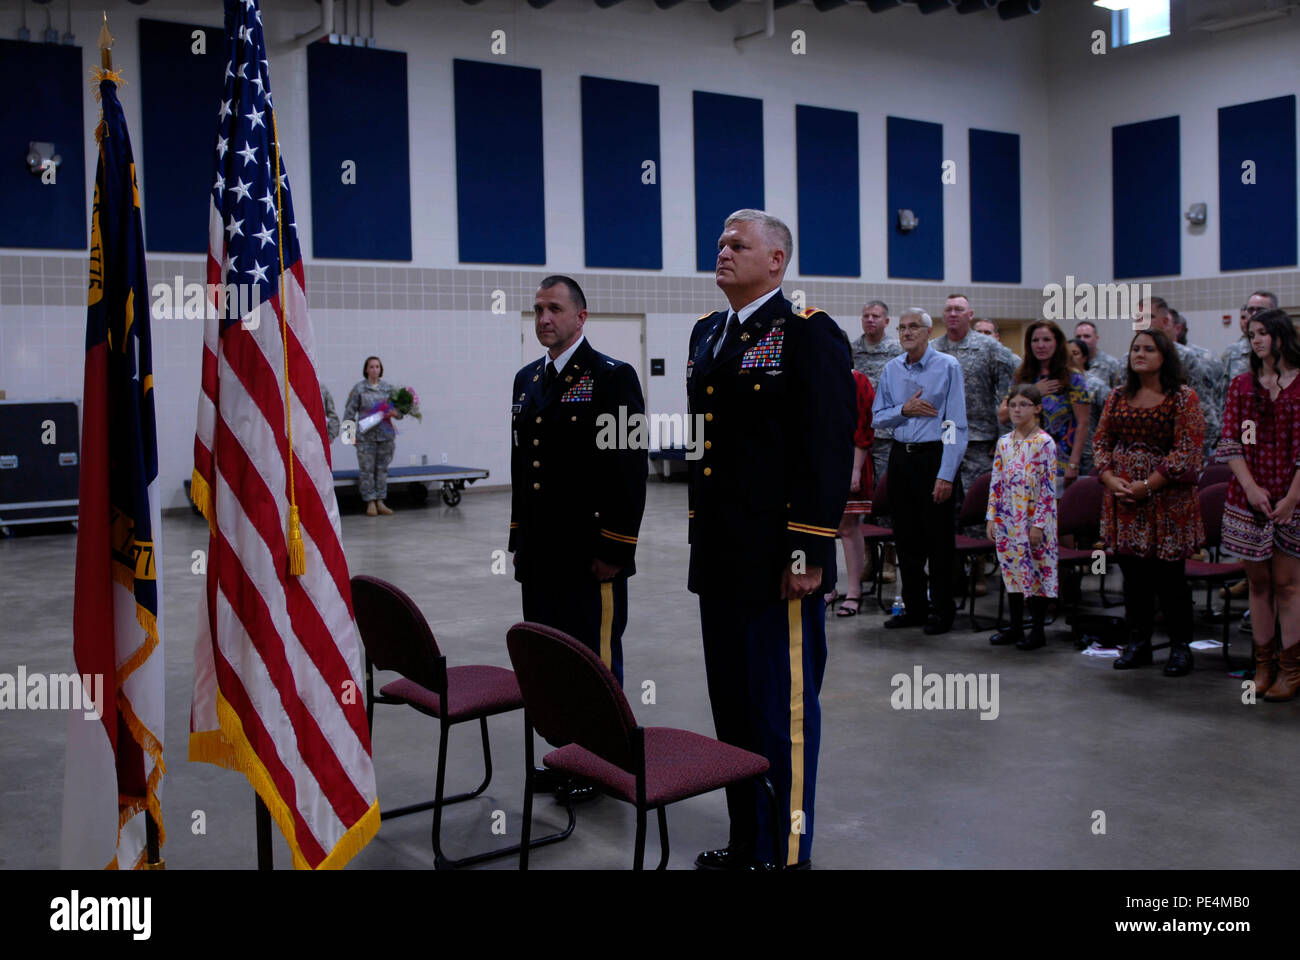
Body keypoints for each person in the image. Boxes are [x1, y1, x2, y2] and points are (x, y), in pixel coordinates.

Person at [688, 209, 854, 871]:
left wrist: (808, 551)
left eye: (738, 244)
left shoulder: (807, 333)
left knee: (781, 717)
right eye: (721, 243)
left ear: (777, 260)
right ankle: (746, 839)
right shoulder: (707, 334)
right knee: (732, 712)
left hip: (779, 563)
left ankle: (786, 854)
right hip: (721, 560)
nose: (723, 252)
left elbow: (825, 446)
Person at [509, 275, 647, 689]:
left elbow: (629, 467)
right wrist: (519, 541)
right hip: (539, 554)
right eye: (538, 310)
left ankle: (601, 755)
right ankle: (559, 753)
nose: (544, 318)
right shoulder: (527, 379)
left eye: (555, 309)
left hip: (589, 554)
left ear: (581, 317)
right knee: (547, 663)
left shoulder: (612, 378)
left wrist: (616, 547)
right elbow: (522, 465)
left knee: (593, 668)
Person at [1093, 329, 1205, 676]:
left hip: (1166, 503)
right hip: (1124, 501)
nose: (1139, 354)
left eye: (1148, 349)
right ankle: (1138, 644)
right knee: (1133, 579)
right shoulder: (1116, 396)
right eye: (1135, 349)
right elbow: (1101, 443)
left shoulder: (1182, 398)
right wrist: (1111, 480)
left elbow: (1187, 450)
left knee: (1170, 581)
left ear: (1164, 356)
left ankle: (1180, 648)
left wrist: (1148, 486)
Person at [1217, 308, 1300, 702]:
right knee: (1259, 583)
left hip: (1293, 496)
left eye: (1264, 333)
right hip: (1249, 498)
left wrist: (1291, 499)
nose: (1257, 340)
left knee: (1287, 585)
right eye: (1252, 334)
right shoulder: (1242, 385)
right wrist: (1249, 487)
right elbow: (1230, 441)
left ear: (1282, 336)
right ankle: (1262, 665)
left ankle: (1291, 669)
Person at [872, 308, 969, 635]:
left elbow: (955, 425)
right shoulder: (891, 369)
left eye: (914, 327)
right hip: (901, 458)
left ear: (928, 332)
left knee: (938, 541)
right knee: (906, 538)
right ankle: (914, 608)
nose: (906, 332)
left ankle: (942, 611)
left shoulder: (948, 367)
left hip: (934, 456)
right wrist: (905, 409)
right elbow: (878, 418)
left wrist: (946, 474)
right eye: (901, 328)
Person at [986, 384, 1058, 650]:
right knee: (1012, 571)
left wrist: (1039, 523)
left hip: (1033, 518)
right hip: (1008, 517)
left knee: (1036, 572)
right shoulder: (1004, 442)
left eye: (1024, 404)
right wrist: (992, 516)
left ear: (1037, 409)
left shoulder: (1044, 443)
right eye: (1013, 404)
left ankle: (1037, 630)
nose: (1017, 410)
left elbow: (1049, 488)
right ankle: (1015, 626)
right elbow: (996, 480)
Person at [998, 320, 1090, 495]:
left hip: (1060, 460)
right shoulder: (1021, 377)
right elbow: (1003, 415)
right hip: (1023, 460)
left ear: (1057, 342)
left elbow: (1083, 423)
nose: (1040, 345)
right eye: (1035, 340)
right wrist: (1033, 392)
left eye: (1046, 340)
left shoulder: (1072, 378)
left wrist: (1074, 462)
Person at [850, 299, 901, 584]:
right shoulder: (853, 350)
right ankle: (868, 558)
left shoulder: (896, 352)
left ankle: (890, 561)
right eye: (866, 315)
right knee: (861, 502)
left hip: (885, 438)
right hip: (858, 437)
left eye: (876, 316)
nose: (870, 320)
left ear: (886, 321)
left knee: (886, 499)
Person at [1138, 296, 1222, 462]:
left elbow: (1203, 410)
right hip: (1140, 450)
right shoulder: (1130, 359)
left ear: (1164, 322)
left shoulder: (1185, 358)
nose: (1142, 323)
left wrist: (1196, 454)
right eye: (1138, 318)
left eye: (1149, 317)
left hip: (1179, 450)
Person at [828, 330, 876, 618]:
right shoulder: (815, 379)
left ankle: (854, 591)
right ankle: (828, 587)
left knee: (848, 528)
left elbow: (864, 428)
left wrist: (855, 470)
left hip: (850, 461)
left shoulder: (857, 380)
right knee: (822, 530)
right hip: (821, 464)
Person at [344, 355, 402, 516]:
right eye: (371, 367)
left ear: (380, 369)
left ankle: (381, 501)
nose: (374, 370)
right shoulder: (359, 389)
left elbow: (400, 412)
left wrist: (395, 413)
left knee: (382, 469)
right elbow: (349, 413)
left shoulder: (388, 389)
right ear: (366, 370)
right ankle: (370, 502)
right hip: (365, 438)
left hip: (385, 437)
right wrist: (349, 437)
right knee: (366, 470)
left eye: (377, 367)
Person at [1221, 291, 1279, 399]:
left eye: (1260, 310)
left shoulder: (1283, 350)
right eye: (1251, 310)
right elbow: (1224, 395)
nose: (1254, 314)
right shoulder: (1232, 352)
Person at [1068, 337, 1109, 476]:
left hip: (1089, 453)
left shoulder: (1096, 385)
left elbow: (1108, 417)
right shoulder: (1057, 384)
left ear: (1084, 357)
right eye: (1067, 354)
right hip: (1064, 450)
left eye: (1075, 353)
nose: (1071, 358)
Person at [1074, 320, 1124, 388]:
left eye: (1087, 336)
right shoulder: (1070, 364)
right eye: (1078, 337)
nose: (1082, 340)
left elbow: (1120, 392)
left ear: (1096, 338)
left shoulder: (1112, 364)